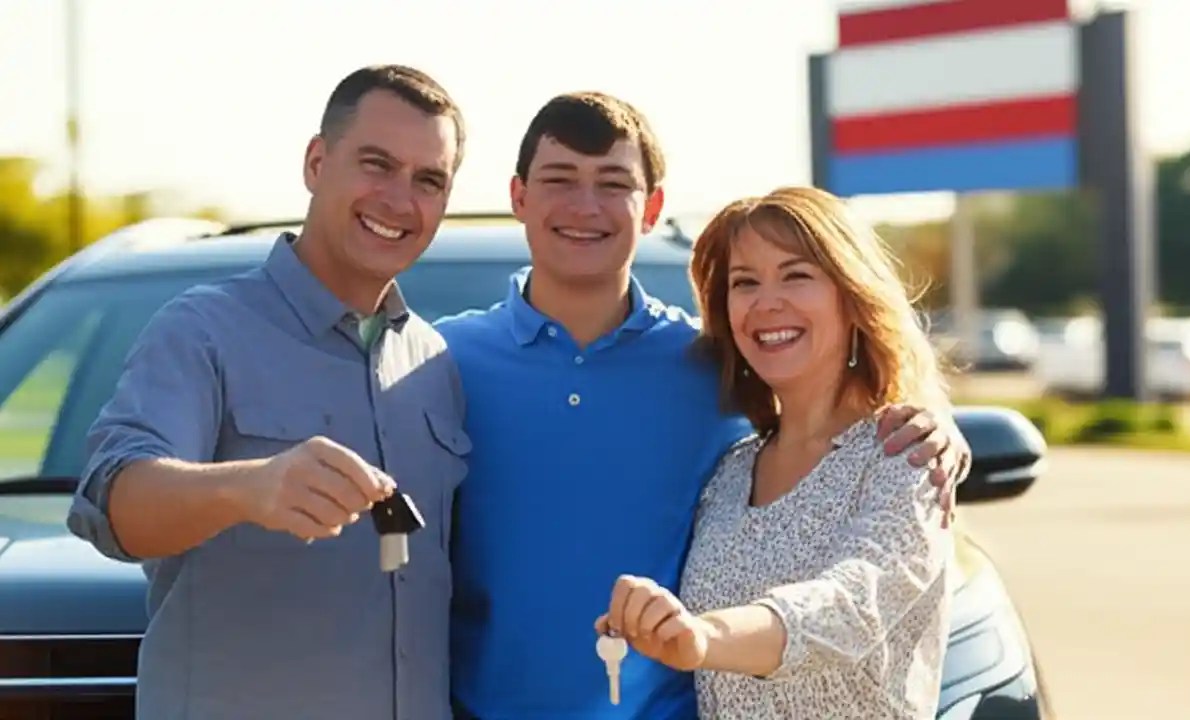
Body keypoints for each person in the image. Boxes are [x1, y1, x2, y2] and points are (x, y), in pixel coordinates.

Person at [436, 92, 969, 719]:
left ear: (652, 207)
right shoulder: (439, 361)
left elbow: (861, 592)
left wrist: (937, 426)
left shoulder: (711, 368)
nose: (586, 206)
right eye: (745, 283)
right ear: (519, 196)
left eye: (613, 182)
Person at [66, 65, 469, 720]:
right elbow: (111, 504)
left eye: (429, 180)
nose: (401, 199)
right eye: (377, 164)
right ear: (317, 161)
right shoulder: (202, 331)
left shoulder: (436, 362)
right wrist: (247, 487)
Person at [598, 186, 955, 719]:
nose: (767, 303)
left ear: (852, 295)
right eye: (745, 283)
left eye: (796, 275)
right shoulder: (731, 470)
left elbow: (854, 605)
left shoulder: (904, 454)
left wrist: (701, 636)